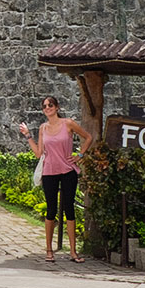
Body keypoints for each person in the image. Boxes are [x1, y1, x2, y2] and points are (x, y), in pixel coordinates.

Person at [19, 96, 93, 263]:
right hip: (49, 172)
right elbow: (39, 153)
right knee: (51, 211)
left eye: (50, 105)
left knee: (70, 210)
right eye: (44, 106)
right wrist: (28, 135)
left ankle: (73, 252)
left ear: (57, 107)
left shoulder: (68, 123)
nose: (47, 108)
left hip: (68, 171)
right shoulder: (43, 128)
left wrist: (80, 155)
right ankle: (49, 250)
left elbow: (88, 137)